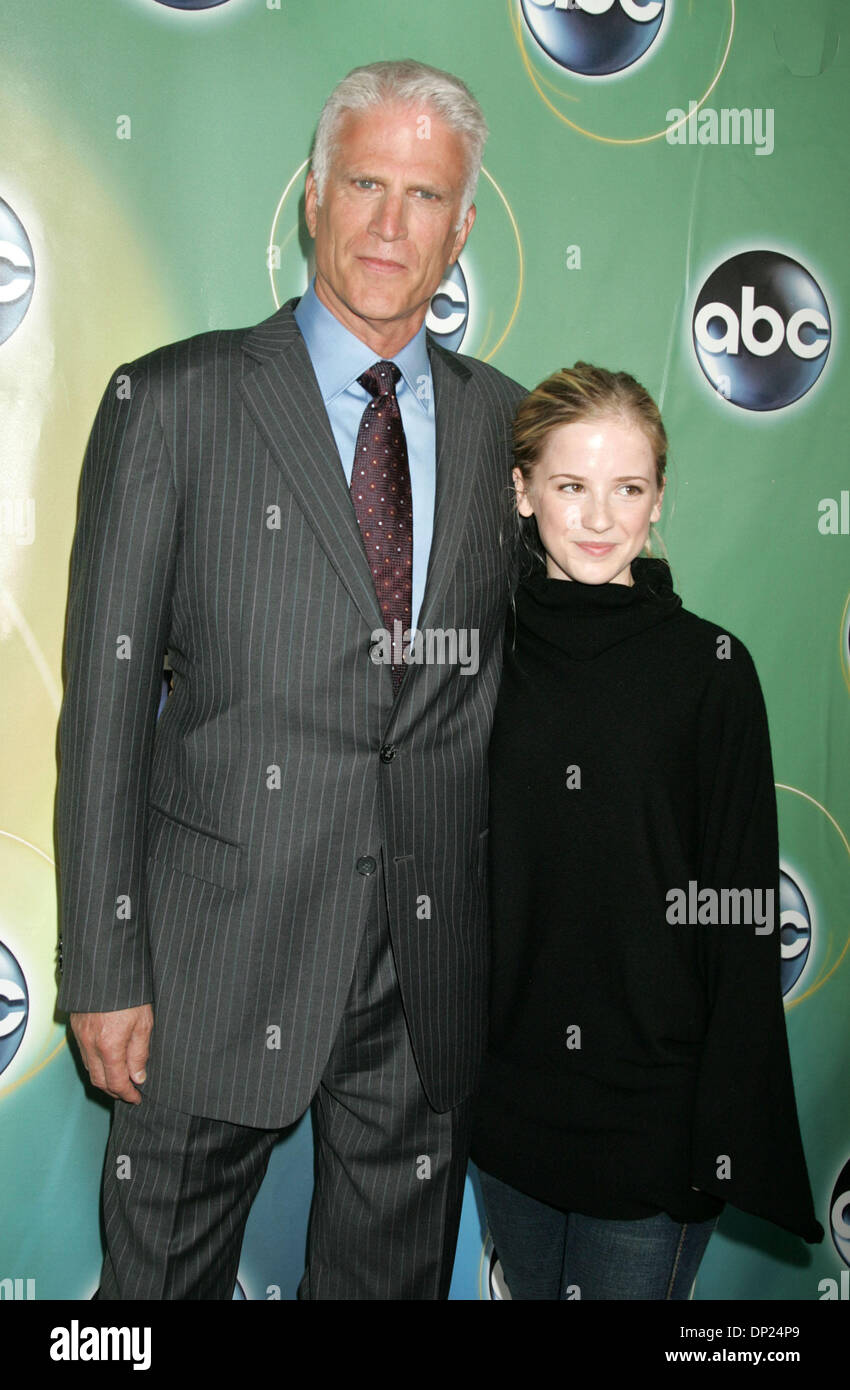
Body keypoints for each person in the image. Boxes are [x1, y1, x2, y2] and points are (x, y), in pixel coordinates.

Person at [56, 58, 525, 1300]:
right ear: (312, 196)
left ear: (462, 229)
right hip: (208, 964)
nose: (389, 224)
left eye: (424, 196)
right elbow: (105, 712)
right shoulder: (173, 402)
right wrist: (103, 965)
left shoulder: (508, 430)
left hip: (423, 986)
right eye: (364, 183)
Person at [470, 363, 823, 1300]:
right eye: (570, 486)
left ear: (659, 498)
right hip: (509, 1107)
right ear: (521, 490)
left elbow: (741, 915)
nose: (599, 517)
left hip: (655, 1119)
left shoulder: (711, 670)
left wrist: (718, 1130)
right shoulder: (477, 662)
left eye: (627, 488)